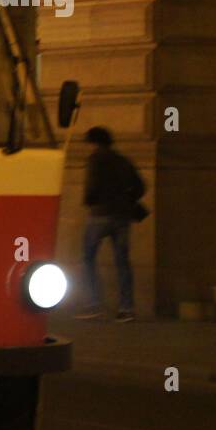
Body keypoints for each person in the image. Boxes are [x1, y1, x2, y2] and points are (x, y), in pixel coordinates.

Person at [78, 126, 144, 322]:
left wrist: (90, 201)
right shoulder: (123, 160)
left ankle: (93, 303)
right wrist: (127, 199)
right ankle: (126, 308)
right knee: (122, 261)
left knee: (88, 258)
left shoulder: (96, 159)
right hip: (122, 216)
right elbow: (140, 186)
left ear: (94, 142)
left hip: (100, 214)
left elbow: (91, 186)